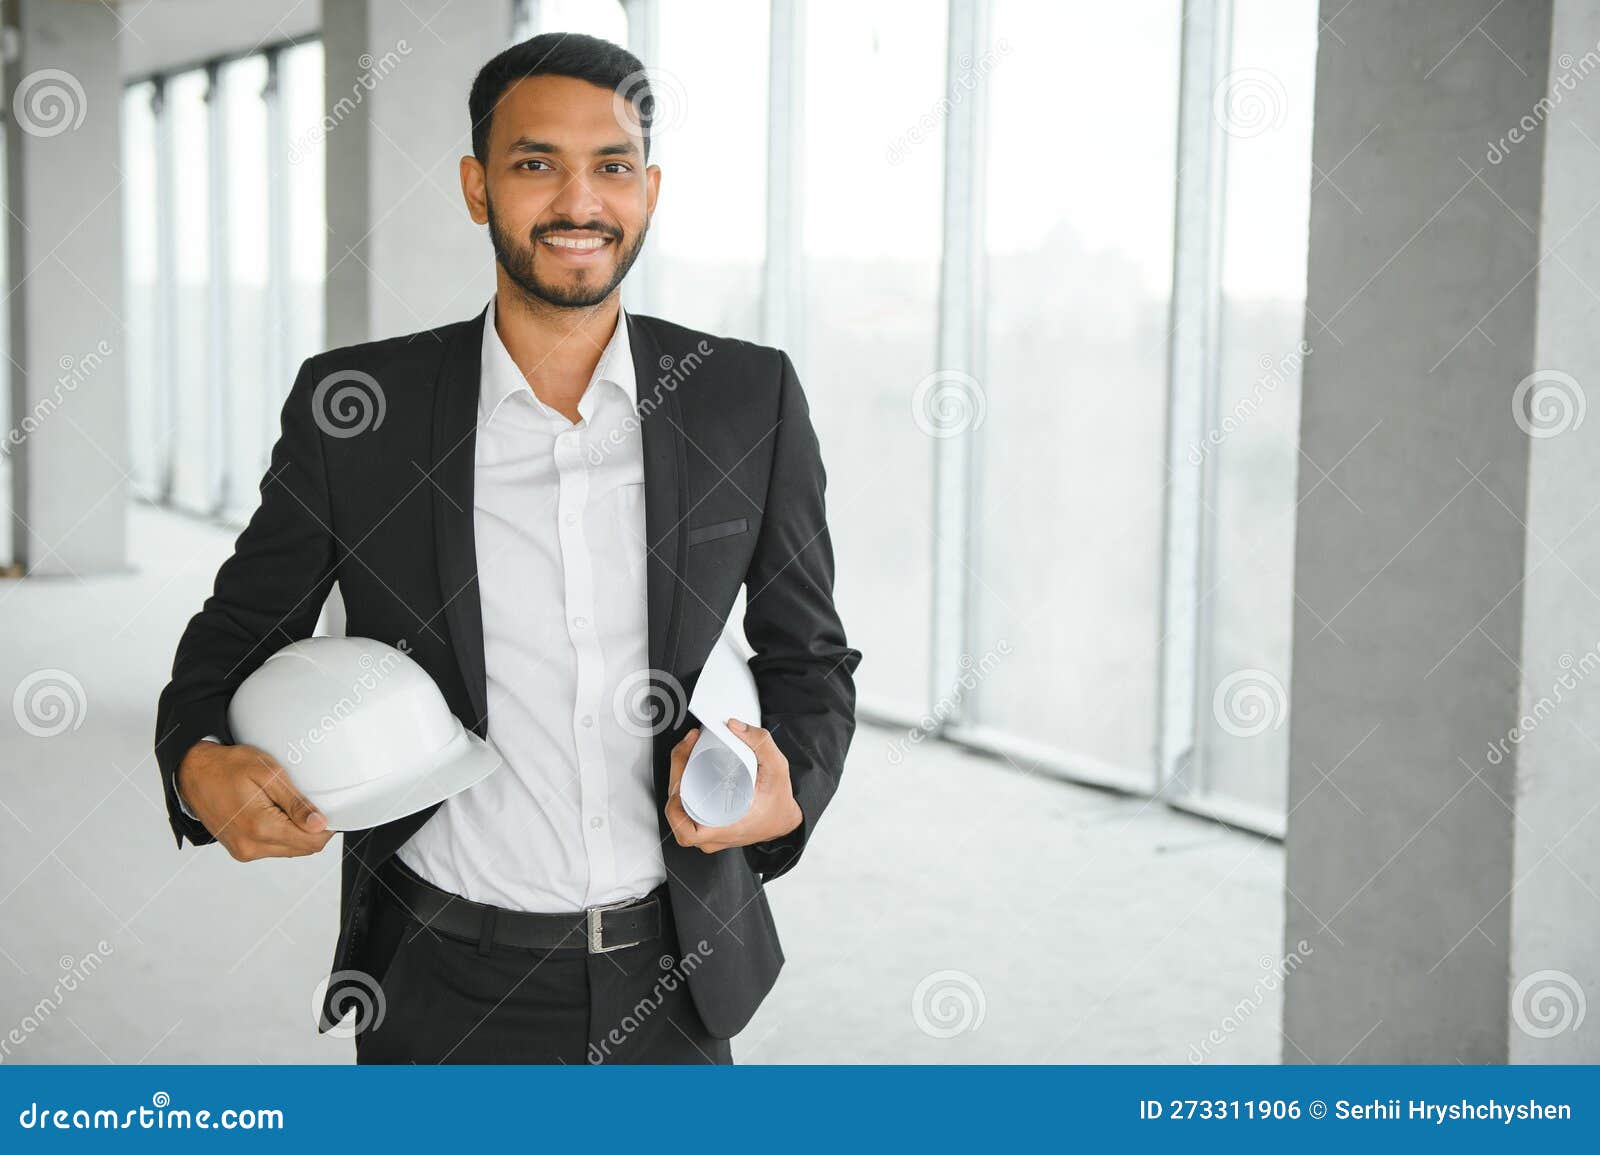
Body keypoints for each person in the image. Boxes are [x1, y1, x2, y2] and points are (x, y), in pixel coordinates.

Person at [153, 32, 859, 1065]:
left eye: (611, 166)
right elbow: (236, 632)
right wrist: (195, 761)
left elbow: (809, 657)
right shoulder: (363, 410)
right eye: (536, 164)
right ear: (479, 187)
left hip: (674, 976)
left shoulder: (745, 398)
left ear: (648, 190)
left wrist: (786, 785)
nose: (580, 201)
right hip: (438, 980)